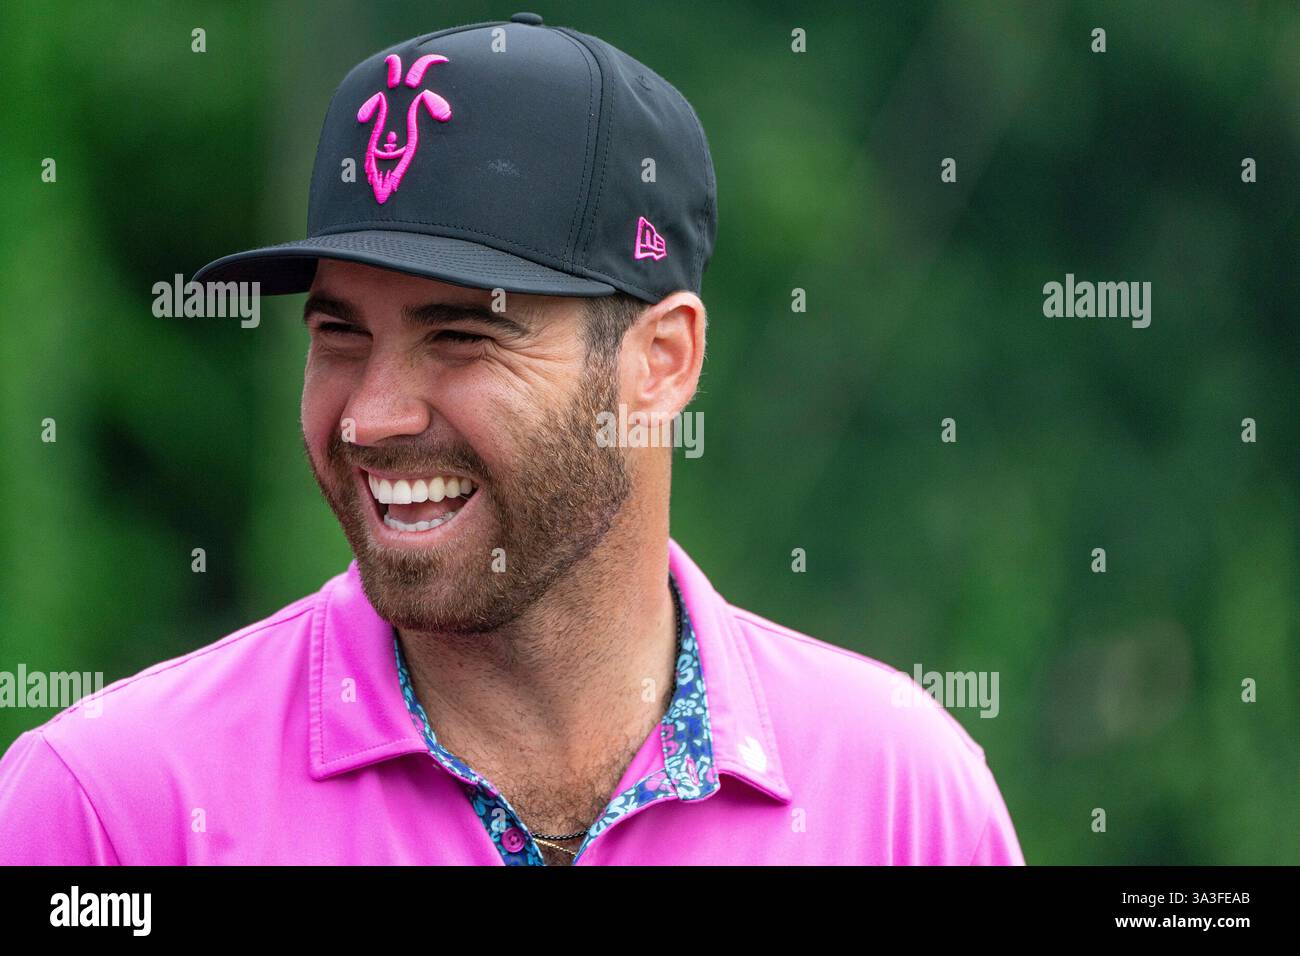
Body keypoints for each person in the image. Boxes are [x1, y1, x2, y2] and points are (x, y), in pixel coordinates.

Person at [0, 13, 1023, 865]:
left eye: (460, 335)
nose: (371, 414)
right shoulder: (106, 812)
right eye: (338, 332)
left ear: (660, 361)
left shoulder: (904, 798)